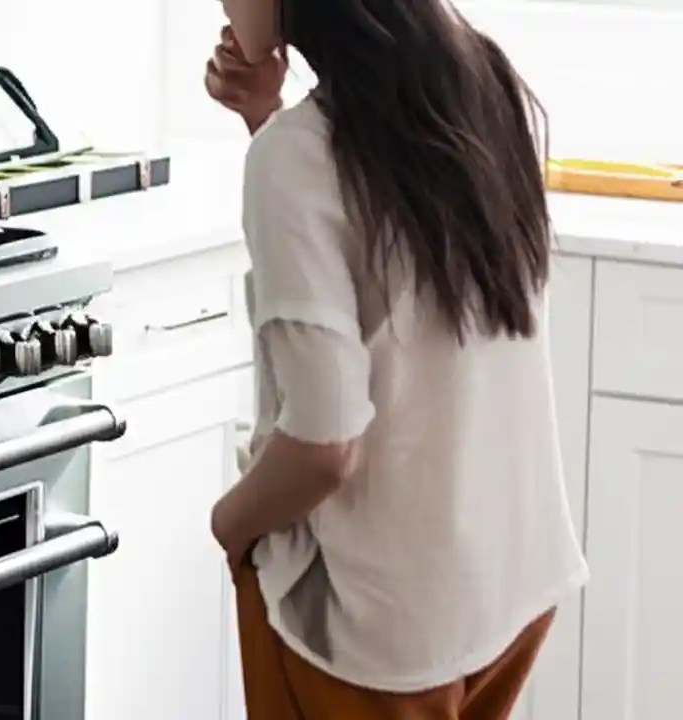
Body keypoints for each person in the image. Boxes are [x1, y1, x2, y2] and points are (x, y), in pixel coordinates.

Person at [204, 1, 589, 718]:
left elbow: (324, 445)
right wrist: (270, 120)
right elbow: (398, 291)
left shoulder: (299, 153)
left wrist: (230, 525)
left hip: (377, 626)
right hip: (507, 585)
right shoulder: (477, 80)